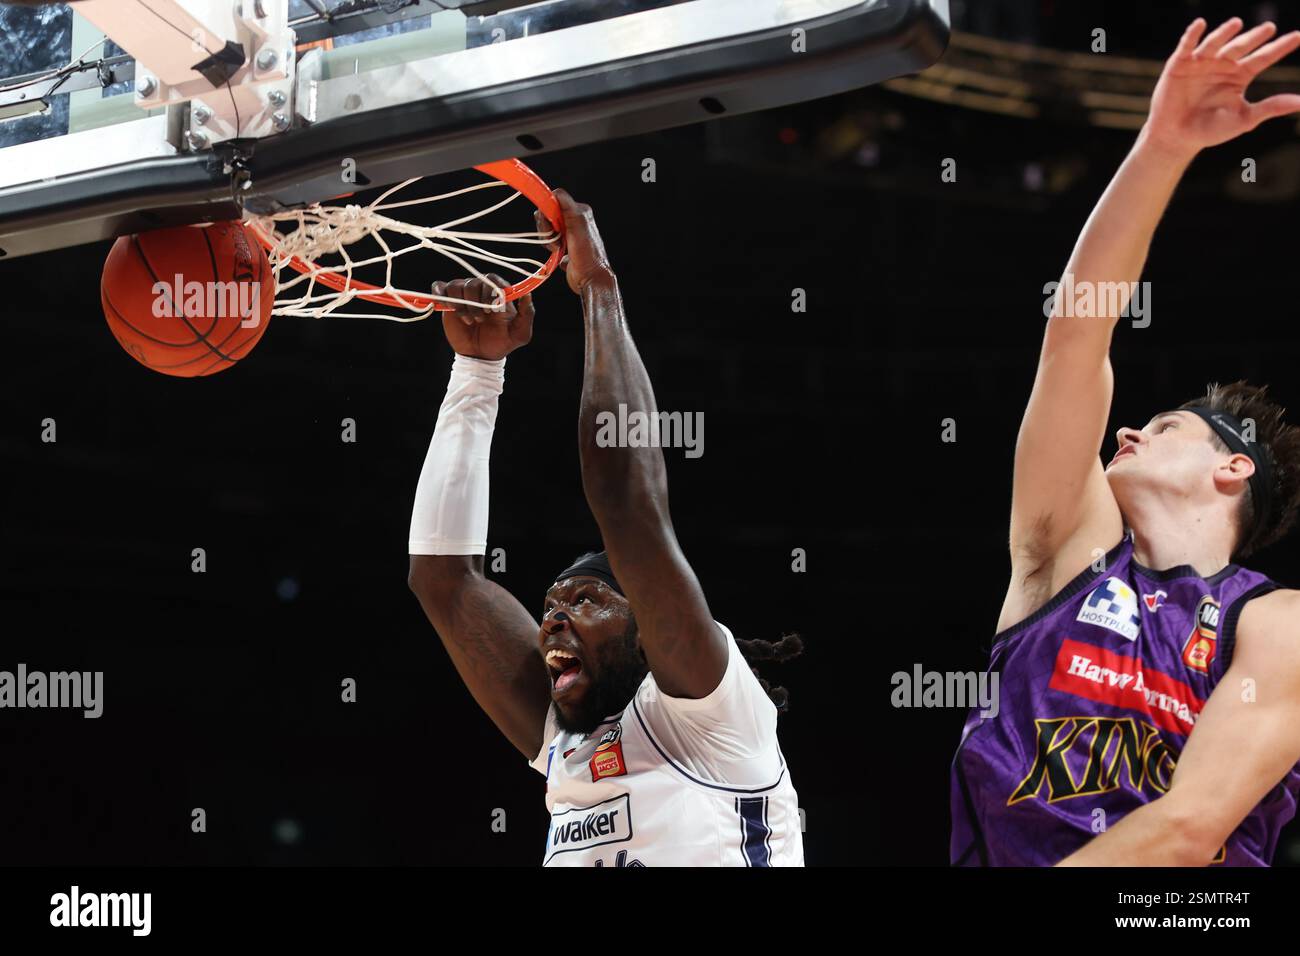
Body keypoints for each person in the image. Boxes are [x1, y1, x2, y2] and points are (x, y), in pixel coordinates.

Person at [951, 17, 1300, 866]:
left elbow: (1189, 831)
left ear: (1233, 467)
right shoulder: (1064, 550)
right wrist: (1163, 144)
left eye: (1169, 425)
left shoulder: (1279, 623)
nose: (1130, 427)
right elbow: (1077, 332)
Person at [407, 192, 804, 866]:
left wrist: (596, 287)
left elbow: (626, 504)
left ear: (646, 627)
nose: (554, 619)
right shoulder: (566, 740)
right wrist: (475, 373)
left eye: (586, 601)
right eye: (553, 606)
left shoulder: (707, 713)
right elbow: (442, 580)